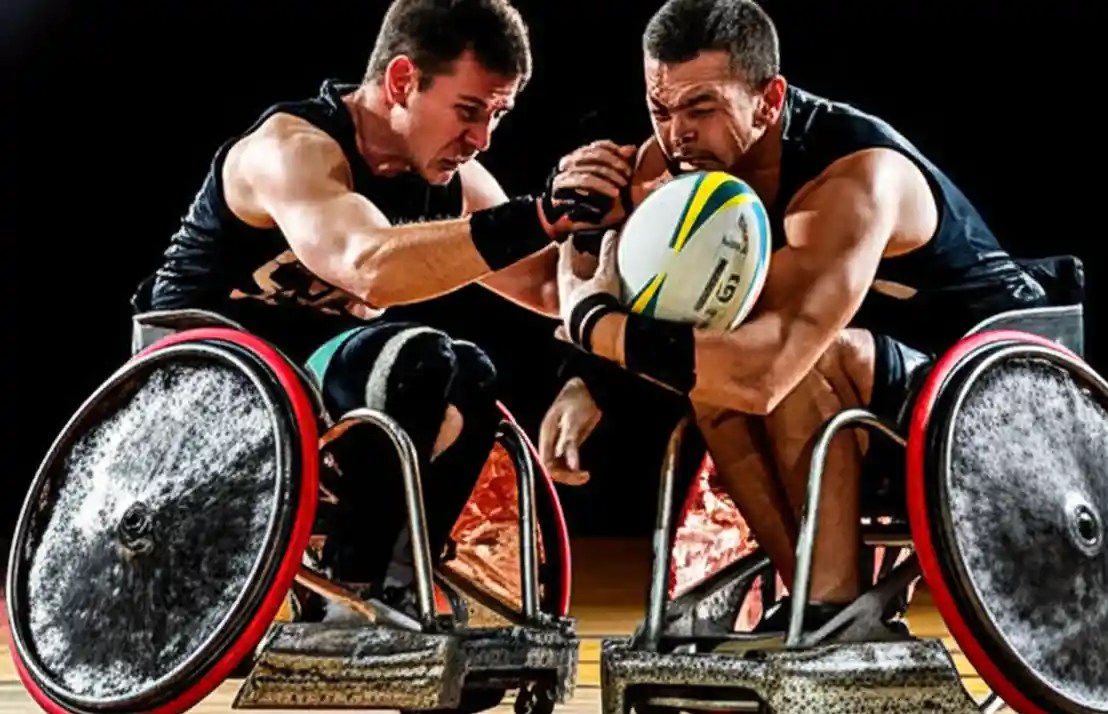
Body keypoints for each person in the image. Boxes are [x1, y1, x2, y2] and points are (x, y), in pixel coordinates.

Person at [546, 0, 1050, 639]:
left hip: (1000, 377)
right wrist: (584, 375)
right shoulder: (670, 167)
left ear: (769, 97)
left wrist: (593, 326)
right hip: (872, 369)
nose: (677, 136)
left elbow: (769, 369)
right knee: (712, 383)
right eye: (660, 109)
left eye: (702, 108)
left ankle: (835, 612)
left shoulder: (853, 179)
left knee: (796, 364)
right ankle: (824, 614)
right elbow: (596, 283)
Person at [129, 0, 619, 608]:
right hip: (198, 374)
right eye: (468, 111)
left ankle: (396, 594)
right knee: (417, 358)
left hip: (307, 381)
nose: (482, 138)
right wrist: (538, 215)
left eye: (497, 115)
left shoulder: (453, 180)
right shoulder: (292, 149)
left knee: (471, 373)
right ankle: (351, 592)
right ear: (401, 81)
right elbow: (369, 268)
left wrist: (606, 223)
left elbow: (548, 289)